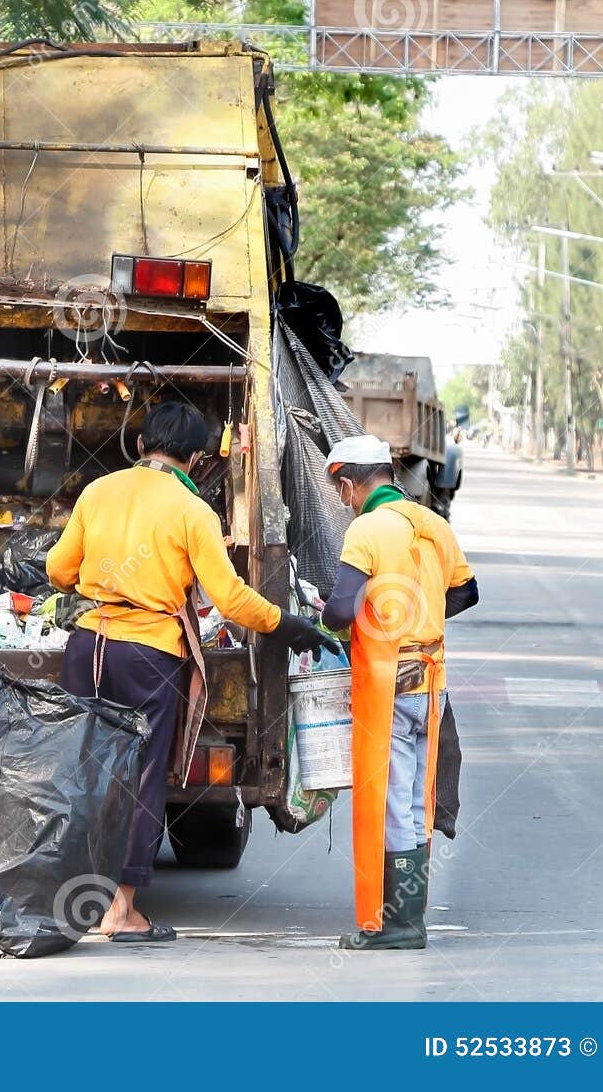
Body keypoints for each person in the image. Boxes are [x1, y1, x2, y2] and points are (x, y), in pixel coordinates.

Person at [46, 401, 339, 943]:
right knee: (139, 777)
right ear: (199, 460)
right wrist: (288, 625)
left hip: (86, 647)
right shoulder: (194, 511)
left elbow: (59, 569)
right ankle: (120, 911)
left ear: (139, 446)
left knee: (81, 769)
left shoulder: (97, 492)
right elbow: (229, 598)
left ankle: (62, 891)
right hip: (149, 657)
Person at [320, 434, 479, 951]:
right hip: (431, 684)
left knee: (390, 804)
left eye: (339, 491)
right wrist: (420, 614)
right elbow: (467, 591)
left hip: (388, 685)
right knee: (414, 805)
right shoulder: (434, 522)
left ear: (348, 484)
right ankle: (410, 921)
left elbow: (341, 612)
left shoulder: (366, 530)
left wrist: (328, 619)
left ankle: (394, 926)